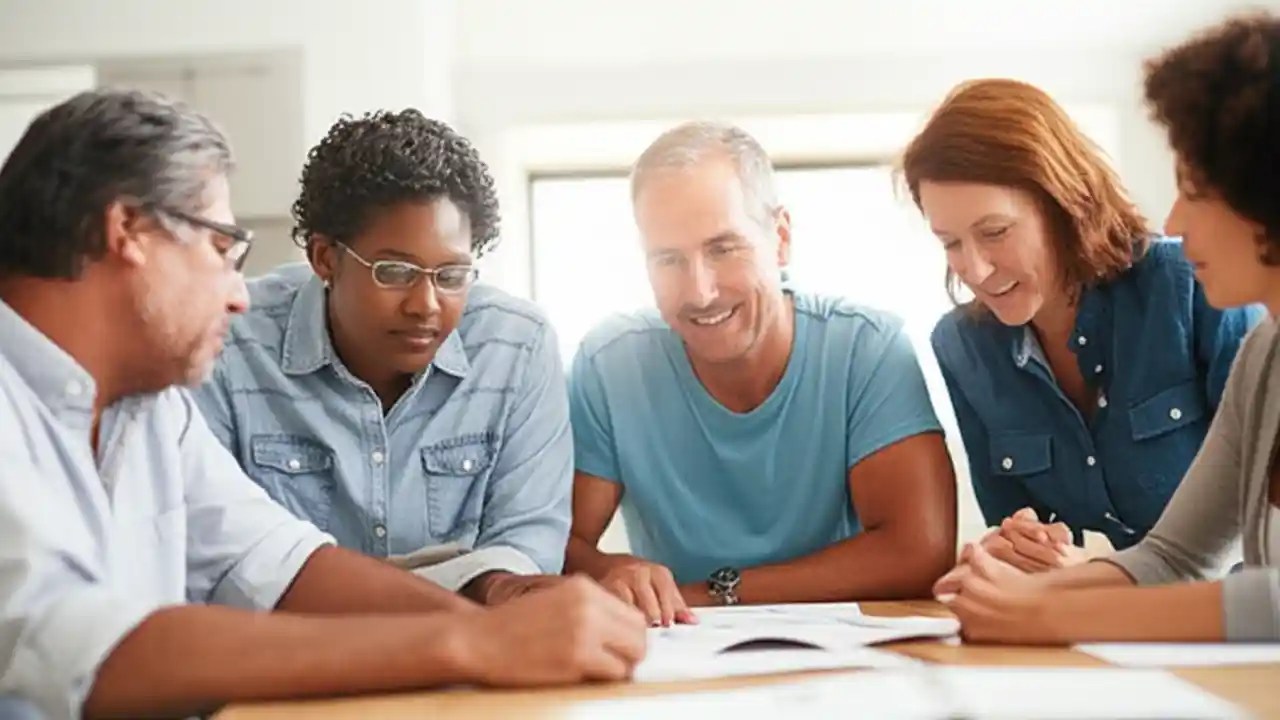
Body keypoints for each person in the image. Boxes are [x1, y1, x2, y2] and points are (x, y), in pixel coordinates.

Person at [0, 89, 645, 720]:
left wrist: (507, 632)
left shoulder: (149, 412)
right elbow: (76, 651)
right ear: (130, 232)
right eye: (222, 250)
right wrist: (469, 644)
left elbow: (280, 562)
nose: (239, 296)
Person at [940, 12, 1280, 644]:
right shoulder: (1265, 355)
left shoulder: (1186, 297)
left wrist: (1047, 612)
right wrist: (1005, 590)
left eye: (1196, 192)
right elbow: (1175, 558)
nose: (1173, 222)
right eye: (951, 242)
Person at [563, 121, 957, 625]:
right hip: (678, 651)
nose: (700, 291)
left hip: (839, 650)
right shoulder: (609, 365)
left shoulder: (866, 348)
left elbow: (919, 551)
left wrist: (709, 593)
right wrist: (608, 569)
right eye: (668, 260)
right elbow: (553, 541)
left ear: (781, 239)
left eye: (723, 249)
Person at [195, 110, 570, 603]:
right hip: (288, 666)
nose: (426, 305)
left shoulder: (517, 345)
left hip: (467, 660)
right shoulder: (230, 338)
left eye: (452, 275)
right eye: (395, 272)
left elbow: (529, 552)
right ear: (325, 257)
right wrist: (460, 586)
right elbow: (220, 564)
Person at [900, 78, 1263, 578]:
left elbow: (1263, 538)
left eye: (995, 232)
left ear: (1065, 205)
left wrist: (1103, 575)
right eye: (950, 243)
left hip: (1226, 628)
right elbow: (1016, 529)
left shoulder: (1193, 285)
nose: (975, 270)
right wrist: (1021, 552)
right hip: (1094, 629)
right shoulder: (962, 347)